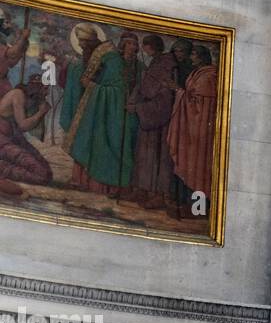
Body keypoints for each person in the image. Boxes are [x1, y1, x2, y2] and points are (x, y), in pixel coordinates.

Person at [59, 22, 137, 196]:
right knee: (84, 138)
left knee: (101, 143)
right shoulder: (92, 55)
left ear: (93, 40)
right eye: (79, 41)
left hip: (106, 114)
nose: (80, 45)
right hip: (91, 110)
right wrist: (71, 69)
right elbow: (83, 75)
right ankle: (82, 181)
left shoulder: (112, 58)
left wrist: (93, 87)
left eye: (84, 42)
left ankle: (102, 186)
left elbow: (118, 90)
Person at [127, 33, 180, 209]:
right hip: (149, 118)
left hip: (158, 120)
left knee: (159, 157)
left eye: (145, 45)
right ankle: (142, 189)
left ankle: (158, 195)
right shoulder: (156, 63)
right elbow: (144, 87)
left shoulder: (166, 64)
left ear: (152, 47)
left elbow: (165, 97)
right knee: (144, 155)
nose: (143, 49)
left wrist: (140, 108)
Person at [165, 43, 218, 219]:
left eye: (194, 54)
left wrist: (177, 90)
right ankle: (189, 206)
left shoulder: (209, 76)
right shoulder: (198, 73)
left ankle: (199, 209)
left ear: (202, 57)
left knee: (199, 169)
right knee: (189, 166)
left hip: (201, 129)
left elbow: (200, 105)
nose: (191, 57)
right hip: (191, 128)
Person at [0, 73, 53, 196]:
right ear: (35, 86)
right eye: (44, 88)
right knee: (42, 175)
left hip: (13, 139)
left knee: (46, 172)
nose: (45, 92)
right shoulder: (17, 94)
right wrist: (41, 113)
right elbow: (23, 125)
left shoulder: (30, 99)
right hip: (2, 141)